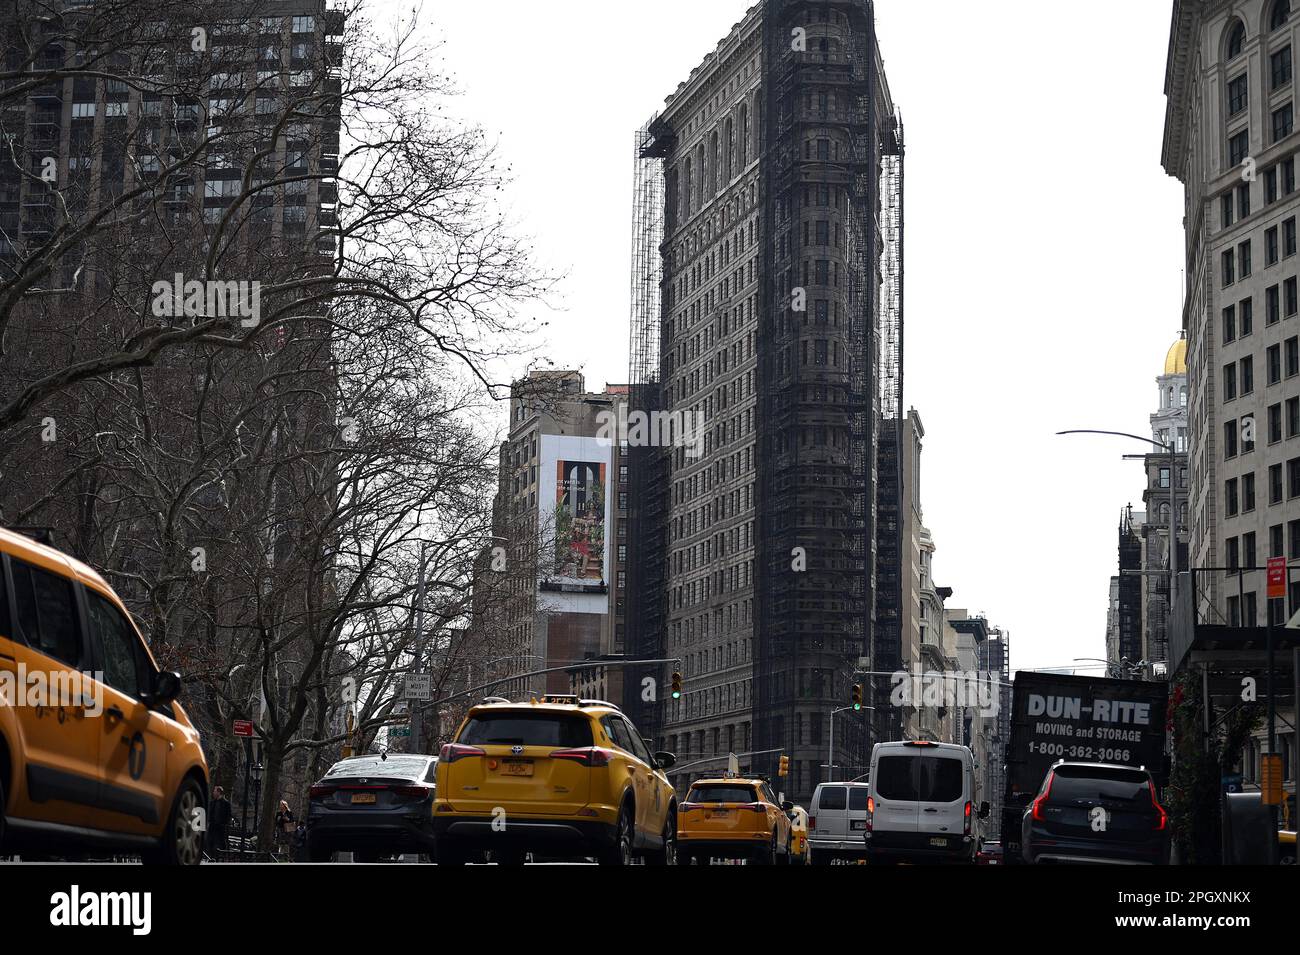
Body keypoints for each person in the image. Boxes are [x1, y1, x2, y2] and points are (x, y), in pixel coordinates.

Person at [207, 786, 233, 856]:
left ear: (219, 792)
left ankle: (222, 857)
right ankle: (211, 857)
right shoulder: (212, 803)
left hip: (221, 827)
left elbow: (229, 815)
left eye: (214, 791)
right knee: (210, 842)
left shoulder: (226, 803)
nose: (213, 793)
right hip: (212, 827)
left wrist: (224, 824)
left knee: (221, 843)